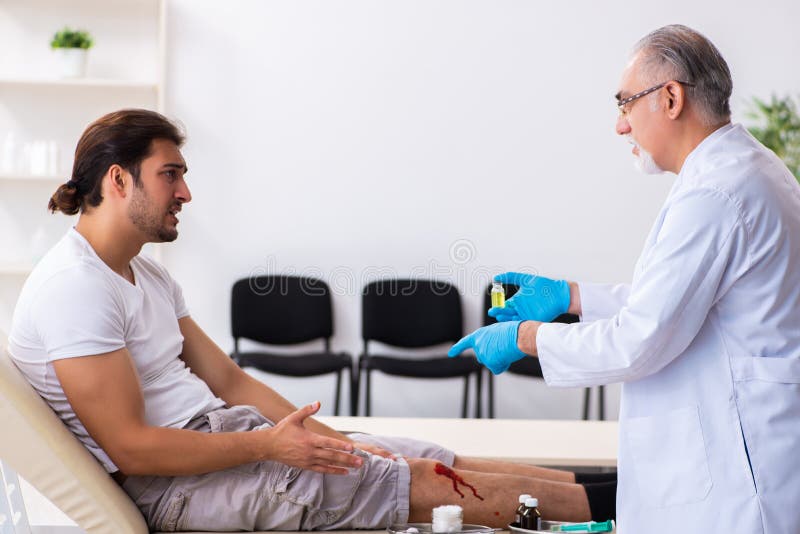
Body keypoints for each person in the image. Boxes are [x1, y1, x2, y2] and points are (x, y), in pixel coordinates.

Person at [7, 109, 615, 532]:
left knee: (432, 457)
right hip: (174, 486)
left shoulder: (148, 275)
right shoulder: (75, 289)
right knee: (421, 484)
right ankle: (628, 512)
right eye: (172, 174)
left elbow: (231, 380)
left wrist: (317, 438)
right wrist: (272, 445)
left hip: (224, 437)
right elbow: (132, 449)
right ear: (119, 180)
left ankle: (620, 492)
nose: (187, 192)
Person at [449, 24, 800, 534]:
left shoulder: (715, 196)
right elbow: (680, 304)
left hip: (736, 480)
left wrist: (525, 337)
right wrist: (570, 296)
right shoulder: (745, 171)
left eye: (625, 104)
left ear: (671, 97)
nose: (620, 126)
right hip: (747, 455)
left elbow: (640, 340)